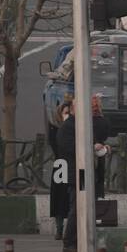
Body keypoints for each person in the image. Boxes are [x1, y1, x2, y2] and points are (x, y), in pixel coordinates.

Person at [60, 95, 111, 252]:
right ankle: (70, 242)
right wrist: (92, 147)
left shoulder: (82, 125)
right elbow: (70, 147)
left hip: (86, 172)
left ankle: (80, 239)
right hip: (79, 173)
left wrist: (100, 148)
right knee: (78, 206)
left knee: (86, 205)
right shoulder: (70, 126)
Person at [47, 99, 72, 241]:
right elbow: (56, 147)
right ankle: (59, 228)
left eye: (69, 112)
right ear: (60, 114)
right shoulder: (55, 129)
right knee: (59, 197)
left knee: (74, 196)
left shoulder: (75, 127)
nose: (67, 115)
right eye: (65, 113)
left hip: (74, 164)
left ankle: (71, 227)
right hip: (61, 165)